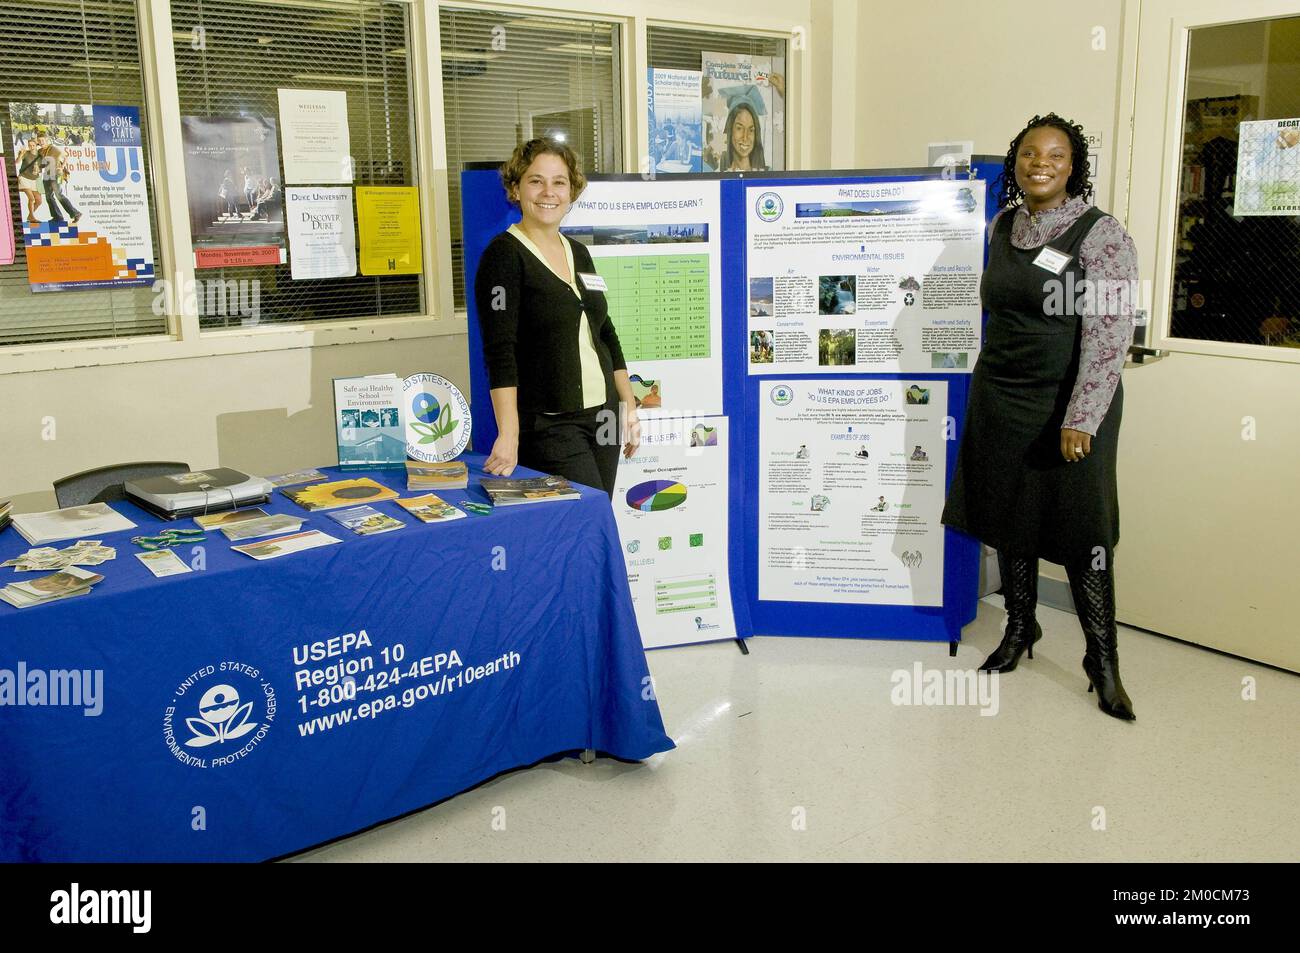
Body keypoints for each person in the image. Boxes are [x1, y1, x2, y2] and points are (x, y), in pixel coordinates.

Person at [941, 113, 1139, 721]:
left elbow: (1111, 334)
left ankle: (1101, 663)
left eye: (1055, 154)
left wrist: (1082, 417)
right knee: (1009, 517)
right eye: (1030, 153)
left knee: (1083, 534)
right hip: (1001, 396)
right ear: (1016, 160)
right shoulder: (1004, 224)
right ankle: (1021, 629)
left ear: (1072, 165)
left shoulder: (1101, 234)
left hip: (1069, 402)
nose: (1040, 164)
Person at [473, 137, 639, 499]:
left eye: (559, 182)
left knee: (599, 514)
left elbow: (604, 331)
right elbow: (500, 351)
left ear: (571, 191)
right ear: (516, 189)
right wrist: (509, 433)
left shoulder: (578, 252)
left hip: (604, 418)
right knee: (583, 517)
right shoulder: (503, 256)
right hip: (551, 424)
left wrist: (628, 404)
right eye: (536, 180)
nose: (548, 192)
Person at [34, 129, 80, 224]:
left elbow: (66, 156)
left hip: (56, 174)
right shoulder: (40, 151)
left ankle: (75, 213)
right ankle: (57, 217)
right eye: (39, 141)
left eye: (43, 140)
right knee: (48, 197)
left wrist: (62, 167)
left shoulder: (53, 149)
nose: (41, 142)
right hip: (47, 175)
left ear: (46, 140)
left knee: (59, 194)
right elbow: (42, 163)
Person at [722, 102, 765, 172]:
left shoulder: (766, 173)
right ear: (730, 130)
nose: (745, 138)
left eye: (751, 130)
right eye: (739, 128)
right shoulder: (720, 174)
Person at [16, 139, 44, 225]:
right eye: (30, 145)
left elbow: (41, 168)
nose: (31, 147)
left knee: (39, 201)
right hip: (24, 178)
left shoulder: (40, 156)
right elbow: (17, 162)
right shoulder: (26, 153)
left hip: (35, 180)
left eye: (33, 145)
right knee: (31, 198)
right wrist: (21, 154)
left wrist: (38, 170)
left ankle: (30, 216)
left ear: (36, 146)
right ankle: (32, 217)